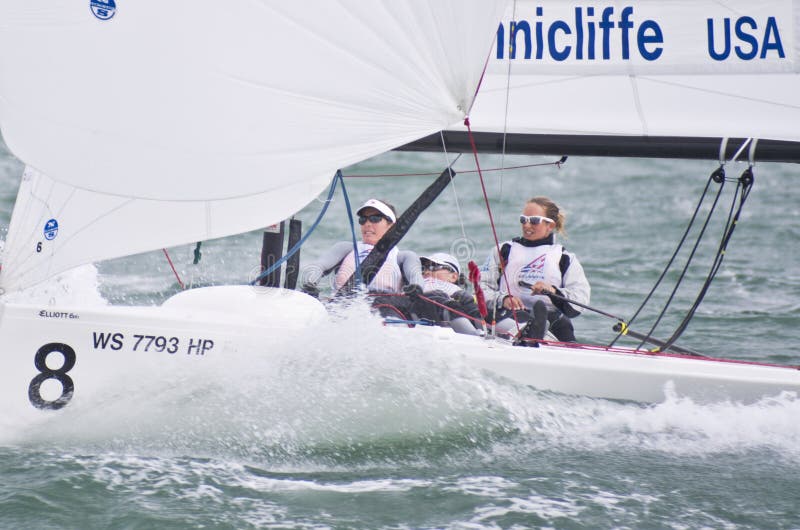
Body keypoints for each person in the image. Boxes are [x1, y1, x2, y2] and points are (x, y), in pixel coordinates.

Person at [480, 196, 590, 344]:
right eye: (523, 219)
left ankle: (548, 339)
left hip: (550, 317)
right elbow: (481, 290)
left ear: (550, 226)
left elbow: (579, 301)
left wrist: (553, 292)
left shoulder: (564, 258)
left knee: (562, 324)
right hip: (509, 314)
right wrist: (504, 299)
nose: (526, 225)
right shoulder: (503, 251)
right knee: (520, 319)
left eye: (534, 221)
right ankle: (531, 336)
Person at [301, 198, 423, 299]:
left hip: (385, 307)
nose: (367, 224)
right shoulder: (345, 249)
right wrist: (310, 284)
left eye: (375, 218)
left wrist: (415, 290)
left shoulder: (403, 257)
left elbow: (415, 277)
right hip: (343, 305)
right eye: (363, 220)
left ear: (391, 225)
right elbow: (319, 266)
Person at [413, 252, 483, 336]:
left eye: (433, 267)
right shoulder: (417, 285)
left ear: (453, 276)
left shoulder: (461, 295)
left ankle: (478, 335)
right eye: (423, 269)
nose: (426, 272)